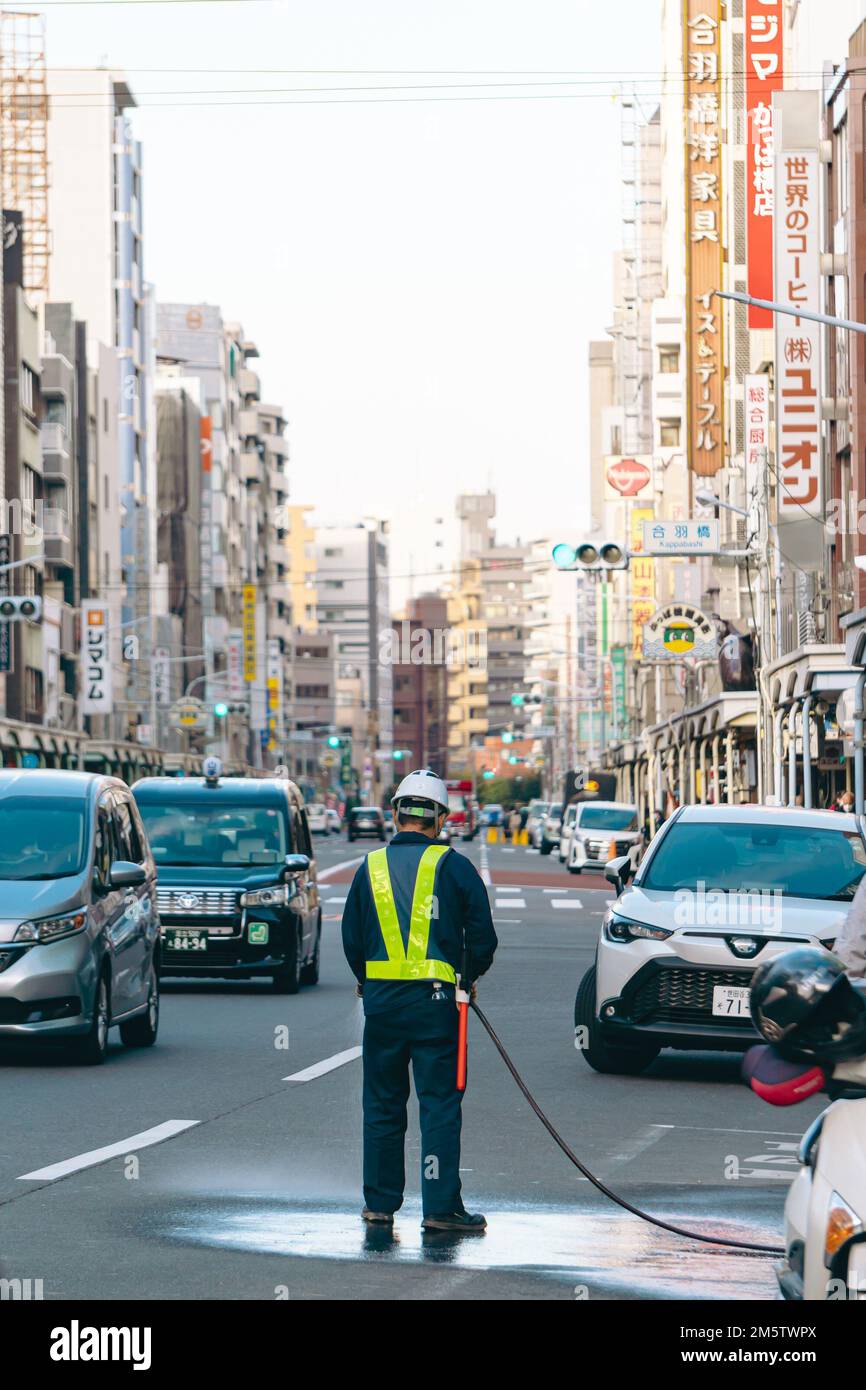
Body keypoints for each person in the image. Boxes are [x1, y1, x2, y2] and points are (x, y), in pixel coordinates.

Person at [341, 767, 498, 1231]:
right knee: (439, 1105)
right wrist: (466, 977)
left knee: (383, 1104)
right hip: (437, 1008)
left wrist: (367, 979)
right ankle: (440, 1209)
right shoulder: (455, 867)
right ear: (441, 819)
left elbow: (352, 939)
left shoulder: (368, 868)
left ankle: (380, 1203)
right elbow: (483, 938)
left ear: (395, 815)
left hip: (383, 1006)